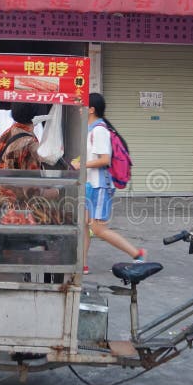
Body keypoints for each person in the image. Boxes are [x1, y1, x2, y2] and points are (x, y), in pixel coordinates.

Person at [75, 93, 145, 275]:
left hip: (100, 187)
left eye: (82, 106)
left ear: (91, 109)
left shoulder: (99, 130)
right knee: (83, 225)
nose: (79, 109)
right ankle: (81, 264)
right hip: (91, 185)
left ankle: (137, 253)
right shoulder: (92, 129)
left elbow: (105, 160)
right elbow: (94, 157)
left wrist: (80, 164)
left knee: (98, 229)